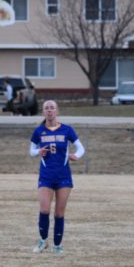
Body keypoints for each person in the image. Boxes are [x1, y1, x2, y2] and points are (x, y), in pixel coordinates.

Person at [29, 100, 85, 255]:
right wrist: (38, 151)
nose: (49, 111)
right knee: (45, 209)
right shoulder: (39, 131)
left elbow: (81, 147)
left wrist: (77, 156)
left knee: (59, 213)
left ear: (57, 111)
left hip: (63, 177)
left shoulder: (67, 130)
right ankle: (43, 241)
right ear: (43, 112)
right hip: (46, 176)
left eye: (52, 108)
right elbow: (31, 150)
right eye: (46, 108)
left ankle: (57, 245)